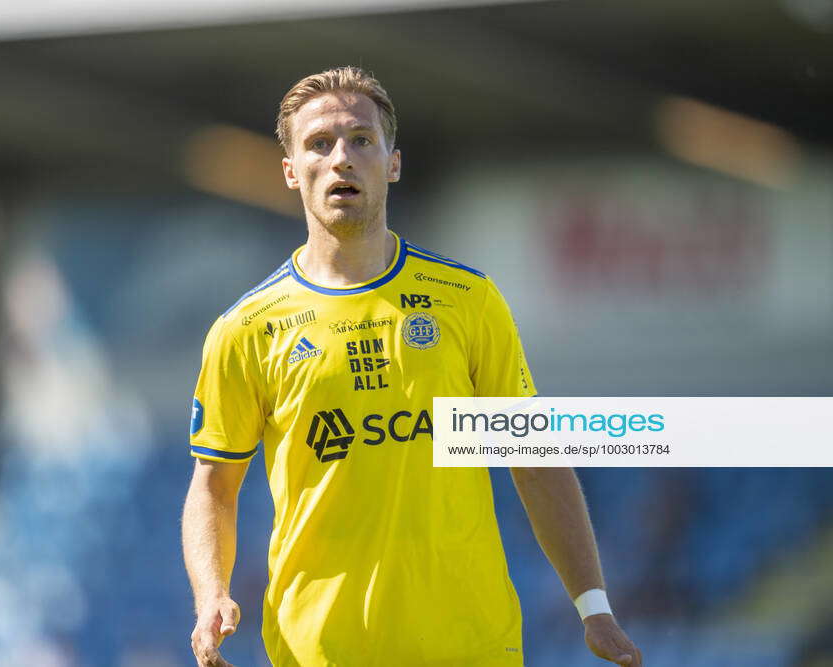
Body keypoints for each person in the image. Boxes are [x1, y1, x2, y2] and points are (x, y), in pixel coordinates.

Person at [182, 66, 641, 667]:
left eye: (361, 139)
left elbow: (536, 460)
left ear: (393, 161)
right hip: (318, 649)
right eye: (319, 143)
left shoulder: (467, 299)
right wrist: (211, 593)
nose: (341, 158)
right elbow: (214, 485)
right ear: (292, 171)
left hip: (470, 645)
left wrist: (594, 606)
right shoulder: (245, 329)